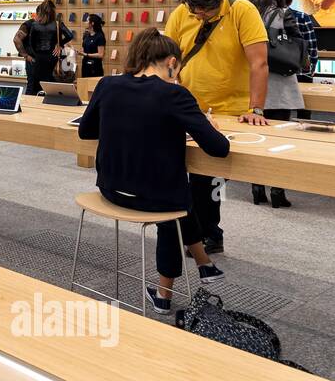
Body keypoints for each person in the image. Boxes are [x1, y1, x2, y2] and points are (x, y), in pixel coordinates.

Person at [78, 29, 231, 313]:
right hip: (153, 199)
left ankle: (204, 264)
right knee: (173, 200)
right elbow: (218, 148)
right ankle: (164, 296)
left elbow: (86, 131)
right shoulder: (174, 94)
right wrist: (211, 128)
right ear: (172, 62)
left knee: (176, 189)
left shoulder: (107, 85)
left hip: (110, 189)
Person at [164, 0, 269, 256]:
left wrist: (255, 108)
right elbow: (169, 59)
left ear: (219, 0)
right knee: (175, 172)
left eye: (205, 11)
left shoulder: (241, 11)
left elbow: (259, 63)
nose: (198, 15)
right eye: (193, 10)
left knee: (206, 179)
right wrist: (167, 91)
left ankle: (208, 234)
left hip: (227, 110)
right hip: (186, 107)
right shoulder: (181, 13)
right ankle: (189, 231)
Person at [248, 0, 305, 208]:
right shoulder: (283, 14)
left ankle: (257, 189)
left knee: (257, 140)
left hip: (254, 85)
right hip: (280, 84)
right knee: (279, 141)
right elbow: (298, 43)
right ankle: (277, 192)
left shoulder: (247, 15)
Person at [16, 0, 72, 95]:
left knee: (32, 87)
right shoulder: (57, 24)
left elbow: (16, 40)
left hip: (34, 60)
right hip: (51, 60)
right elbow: (70, 35)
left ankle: (29, 108)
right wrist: (60, 44)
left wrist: (25, 55)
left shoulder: (29, 24)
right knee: (51, 88)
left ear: (38, 12)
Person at [283, 0, 319, 119]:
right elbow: (311, 44)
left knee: (282, 104)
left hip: (280, 69)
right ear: (291, 1)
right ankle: (304, 130)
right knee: (304, 105)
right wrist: (312, 67)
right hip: (302, 68)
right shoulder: (302, 17)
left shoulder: (269, 18)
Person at [80, 14, 106, 78]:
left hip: (95, 66)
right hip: (85, 65)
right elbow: (83, 49)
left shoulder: (100, 36)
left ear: (92, 23)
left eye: (87, 21)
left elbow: (101, 54)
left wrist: (86, 54)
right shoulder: (86, 35)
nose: (85, 22)